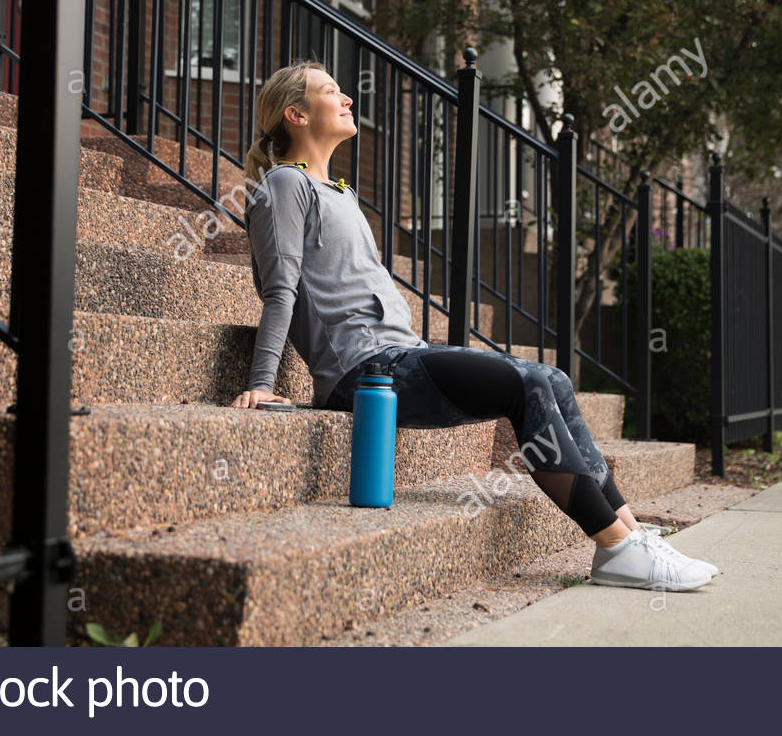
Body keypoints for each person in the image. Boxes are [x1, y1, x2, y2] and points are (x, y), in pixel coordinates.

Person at [229, 60, 719, 591]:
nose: (347, 98)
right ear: (295, 115)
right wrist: (261, 383)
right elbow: (281, 288)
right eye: (331, 91)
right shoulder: (282, 185)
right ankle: (618, 546)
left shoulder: (341, 192)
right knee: (527, 383)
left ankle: (628, 536)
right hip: (366, 371)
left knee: (551, 379)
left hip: (400, 355)